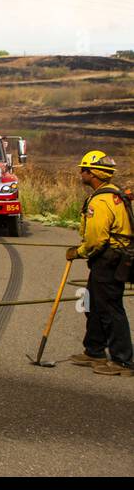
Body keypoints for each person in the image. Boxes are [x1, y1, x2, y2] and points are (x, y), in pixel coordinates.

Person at [68, 151, 133, 376]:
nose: (81, 173)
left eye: (84, 170)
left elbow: (97, 238)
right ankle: (94, 350)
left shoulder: (101, 200)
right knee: (92, 303)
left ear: (93, 173)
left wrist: (78, 251)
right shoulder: (114, 193)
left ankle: (123, 360)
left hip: (109, 258)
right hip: (110, 257)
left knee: (110, 308)